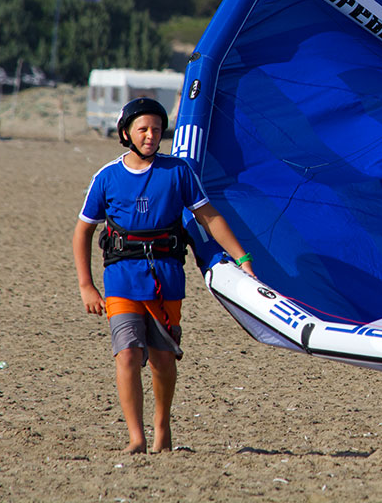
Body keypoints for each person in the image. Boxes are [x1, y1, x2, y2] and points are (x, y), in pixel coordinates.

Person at [72, 97, 255, 454]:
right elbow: (83, 231)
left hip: (166, 278)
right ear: (126, 132)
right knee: (126, 354)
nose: (151, 135)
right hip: (121, 279)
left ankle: (162, 427)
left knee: (162, 359)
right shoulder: (107, 177)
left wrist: (242, 257)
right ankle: (136, 438)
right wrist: (86, 286)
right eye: (143, 129)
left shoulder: (179, 171)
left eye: (156, 129)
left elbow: (209, 217)